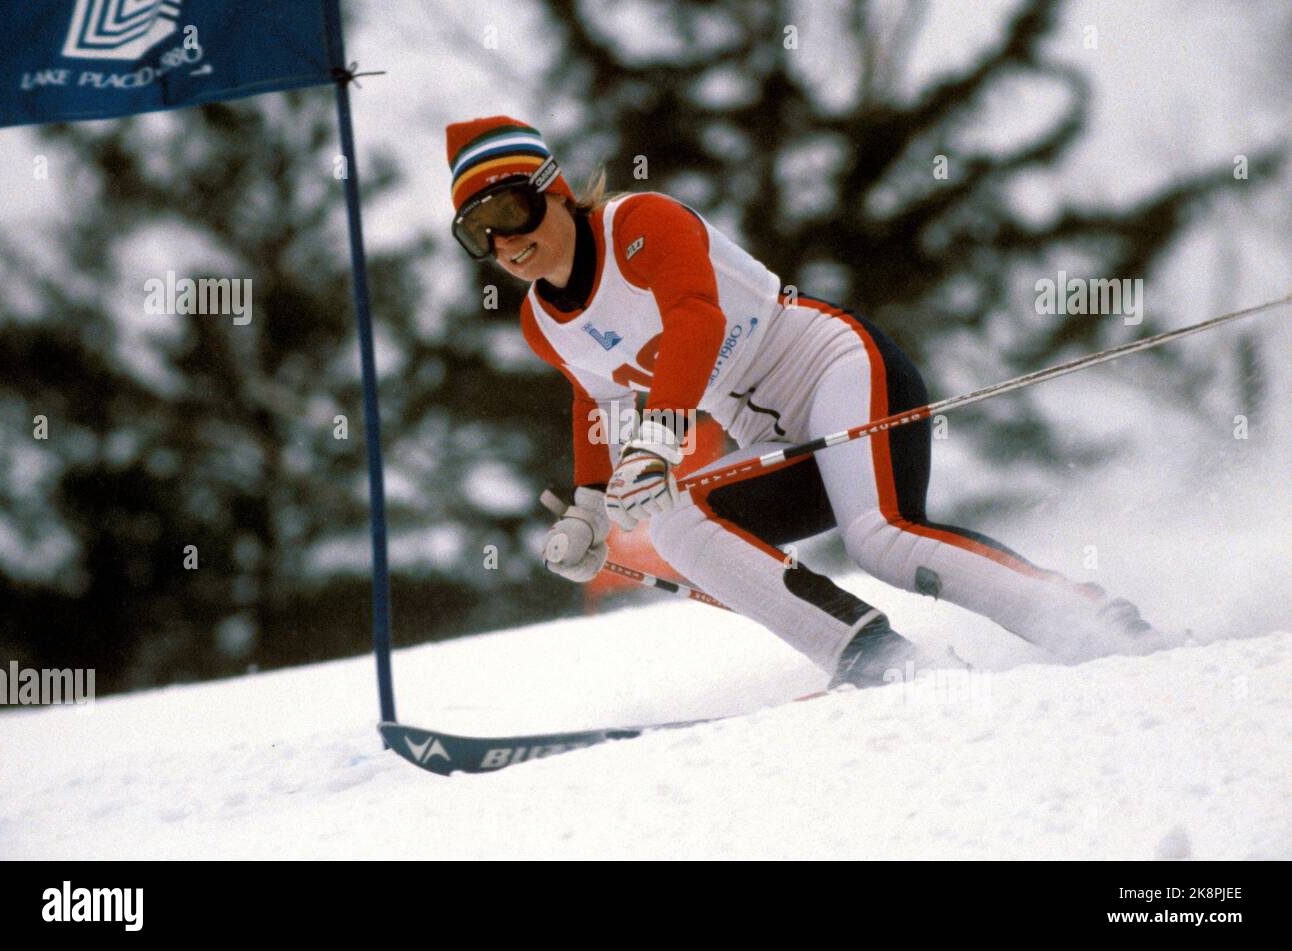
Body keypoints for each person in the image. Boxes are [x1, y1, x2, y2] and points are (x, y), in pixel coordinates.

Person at [444, 115, 1160, 688]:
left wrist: (656, 440)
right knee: (675, 525)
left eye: (509, 209)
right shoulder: (541, 322)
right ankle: (870, 655)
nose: (504, 241)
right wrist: (591, 512)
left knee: (881, 537)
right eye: (477, 232)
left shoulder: (639, 224)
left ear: (554, 189)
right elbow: (597, 399)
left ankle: (1093, 622)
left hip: (837, 369)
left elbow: (698, 317)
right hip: (773, 435)